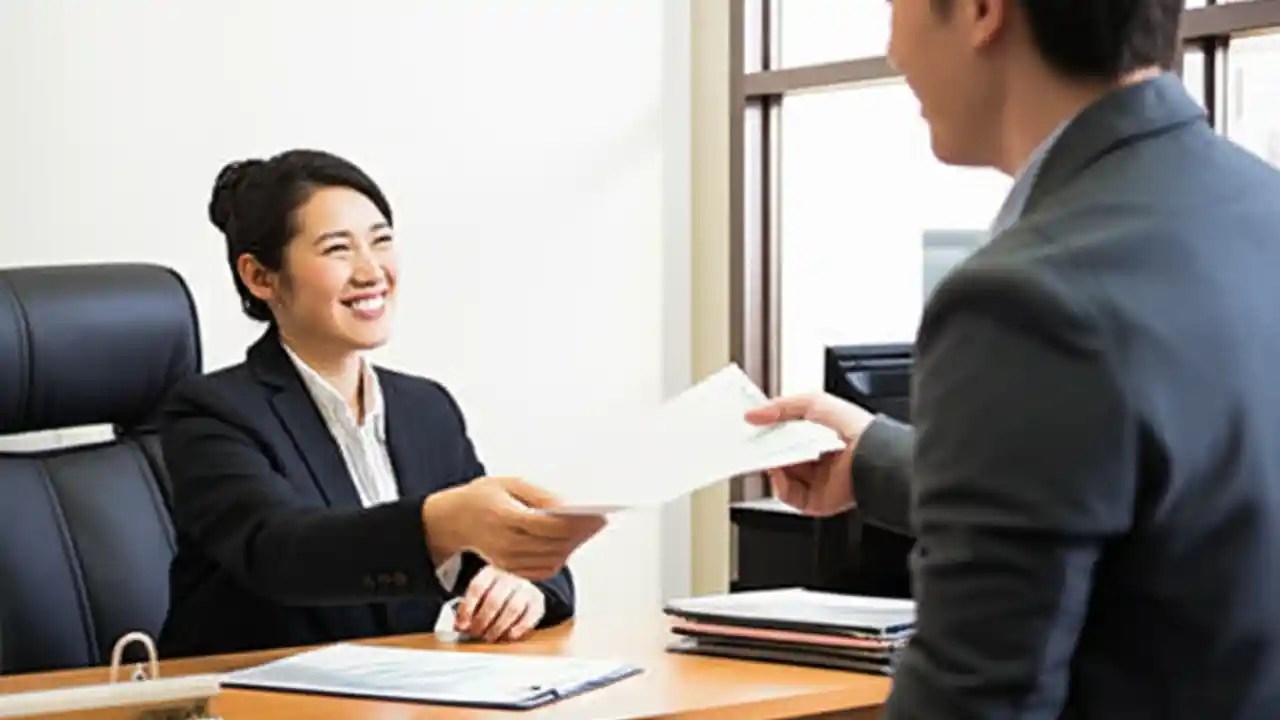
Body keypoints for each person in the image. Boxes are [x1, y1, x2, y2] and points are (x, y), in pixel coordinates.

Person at [748, 0, 1280, 717]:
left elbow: (976, 703)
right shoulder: (1255, 208)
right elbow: (1183, 501)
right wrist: (875, 457)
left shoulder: (1025, 296)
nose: (891, 46)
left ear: (980, 11)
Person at [159, 149, 605, 658]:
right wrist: (442, 522)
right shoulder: (211, 412)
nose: (371, 272)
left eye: (381, 241)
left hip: (394, 699)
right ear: (261, 277)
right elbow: (282, 552)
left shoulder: (425, 408)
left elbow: (521, 561)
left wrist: (522, 588)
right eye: (337, 250)